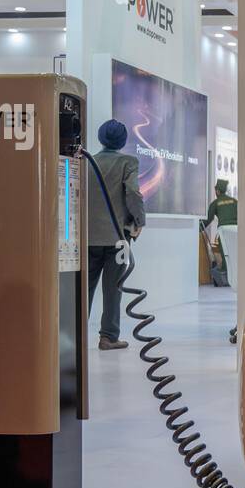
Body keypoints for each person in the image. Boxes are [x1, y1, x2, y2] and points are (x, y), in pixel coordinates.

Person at [87, 119, 144, 351]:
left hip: (88, 238)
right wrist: (139, 221)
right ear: (123, 141)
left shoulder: (87, 161)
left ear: (101, 138)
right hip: (118, 239)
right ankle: (108, 337)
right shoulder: (128, 162)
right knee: (113, 288)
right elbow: (133, 193)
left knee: (84, 289)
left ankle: (73, 335)